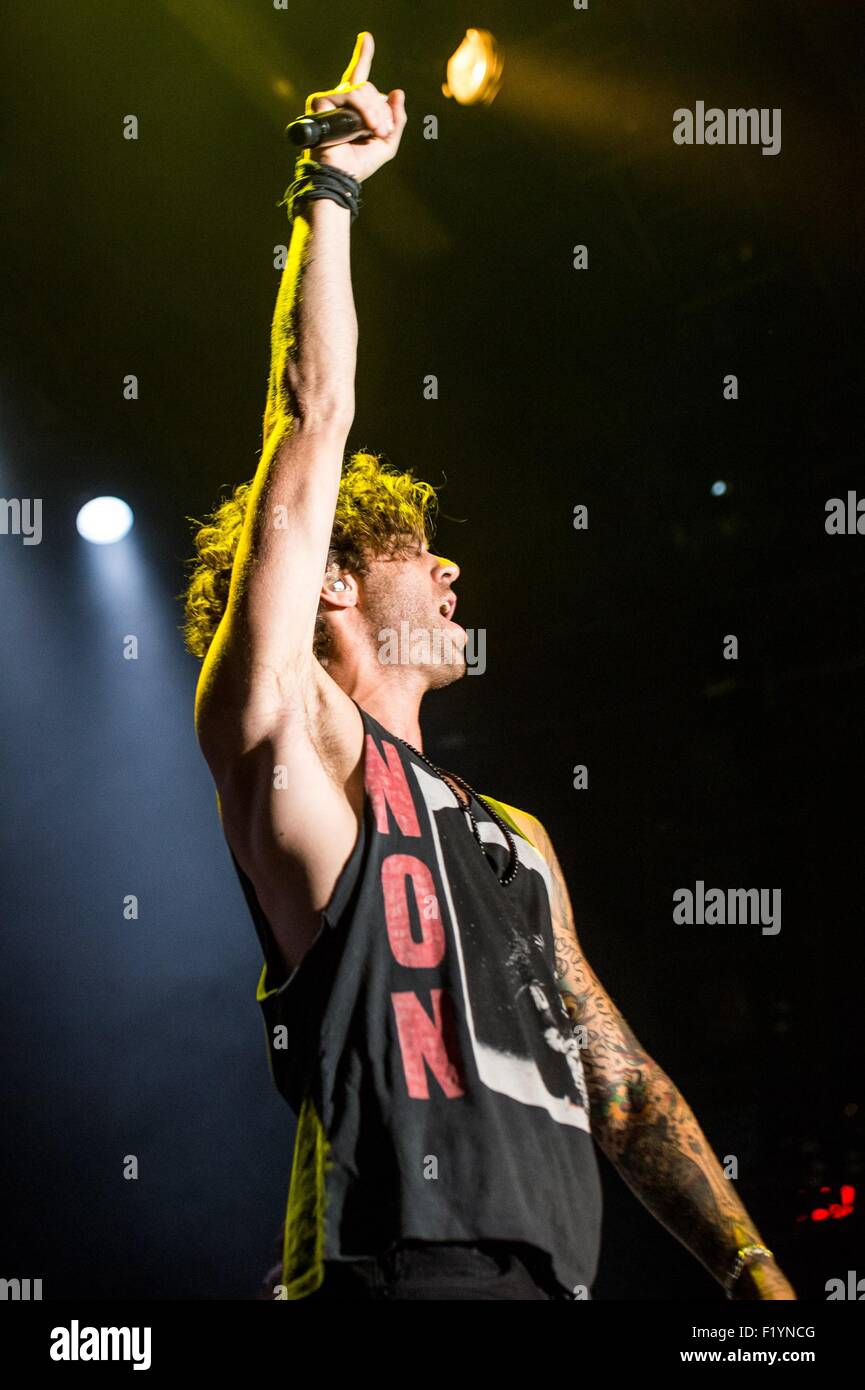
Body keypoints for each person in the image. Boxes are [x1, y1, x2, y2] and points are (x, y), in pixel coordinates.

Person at [183, 31, 796, 1302]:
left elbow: (619, 1084)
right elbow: (313, 422)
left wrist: (754, 1275)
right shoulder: (291, 740)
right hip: (396, 1270)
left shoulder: (511, 833)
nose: (454, 575)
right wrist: (334, 191)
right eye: (422, 551)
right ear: (335, 583)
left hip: (558, 1284)